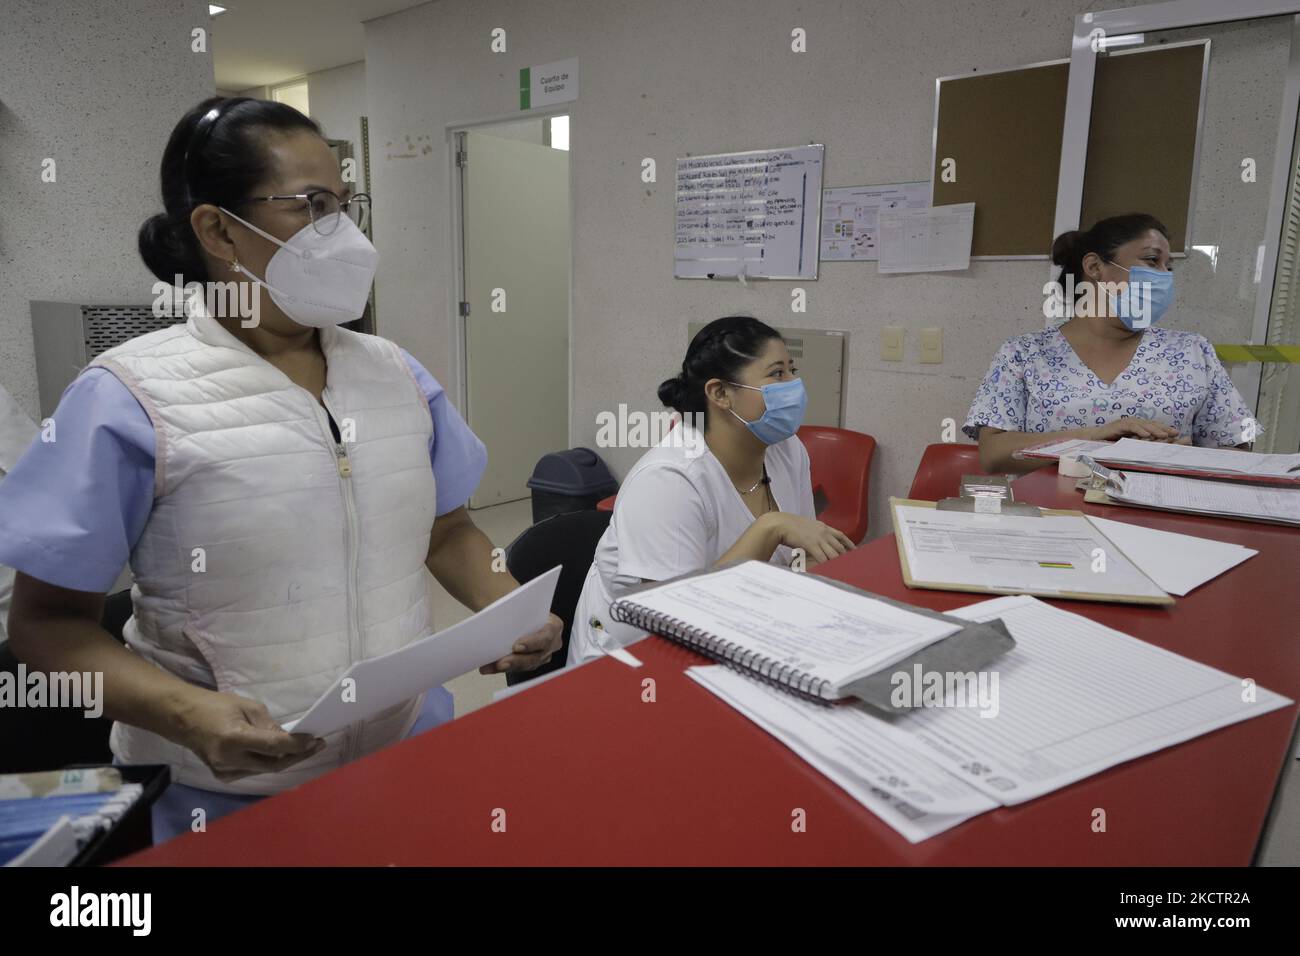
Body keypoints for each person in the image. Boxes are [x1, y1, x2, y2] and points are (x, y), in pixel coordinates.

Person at [0, 96, 561, 840]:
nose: (345, 233)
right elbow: (45, 624)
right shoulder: (129, 398)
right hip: (230, 791)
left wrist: (507, 610)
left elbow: (449, 528)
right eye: (312, 205)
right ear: (218, 229)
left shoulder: (395, 374)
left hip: (410, 751)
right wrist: (186, 713)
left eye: (347, 203)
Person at [567, 315, 854, 667]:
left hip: (739, 629)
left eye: (791, 370)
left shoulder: (786, 449)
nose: (794, 384)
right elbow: (675, 618)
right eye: (777, 374)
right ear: (720, 393)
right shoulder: (669, 479)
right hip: (635, 663)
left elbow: (805, 555)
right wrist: (769, 527)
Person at [965, 213, 1256, 473]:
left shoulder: (1192, 352)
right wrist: (1096, 439)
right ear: (1094, 267)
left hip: (1158, 524)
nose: (1164, 277)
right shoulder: (1024, 354)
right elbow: (993, 454)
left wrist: (1182, 458)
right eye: (1152, 260)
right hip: (1053, 518)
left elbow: (1237, 446)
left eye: (1169, 267)